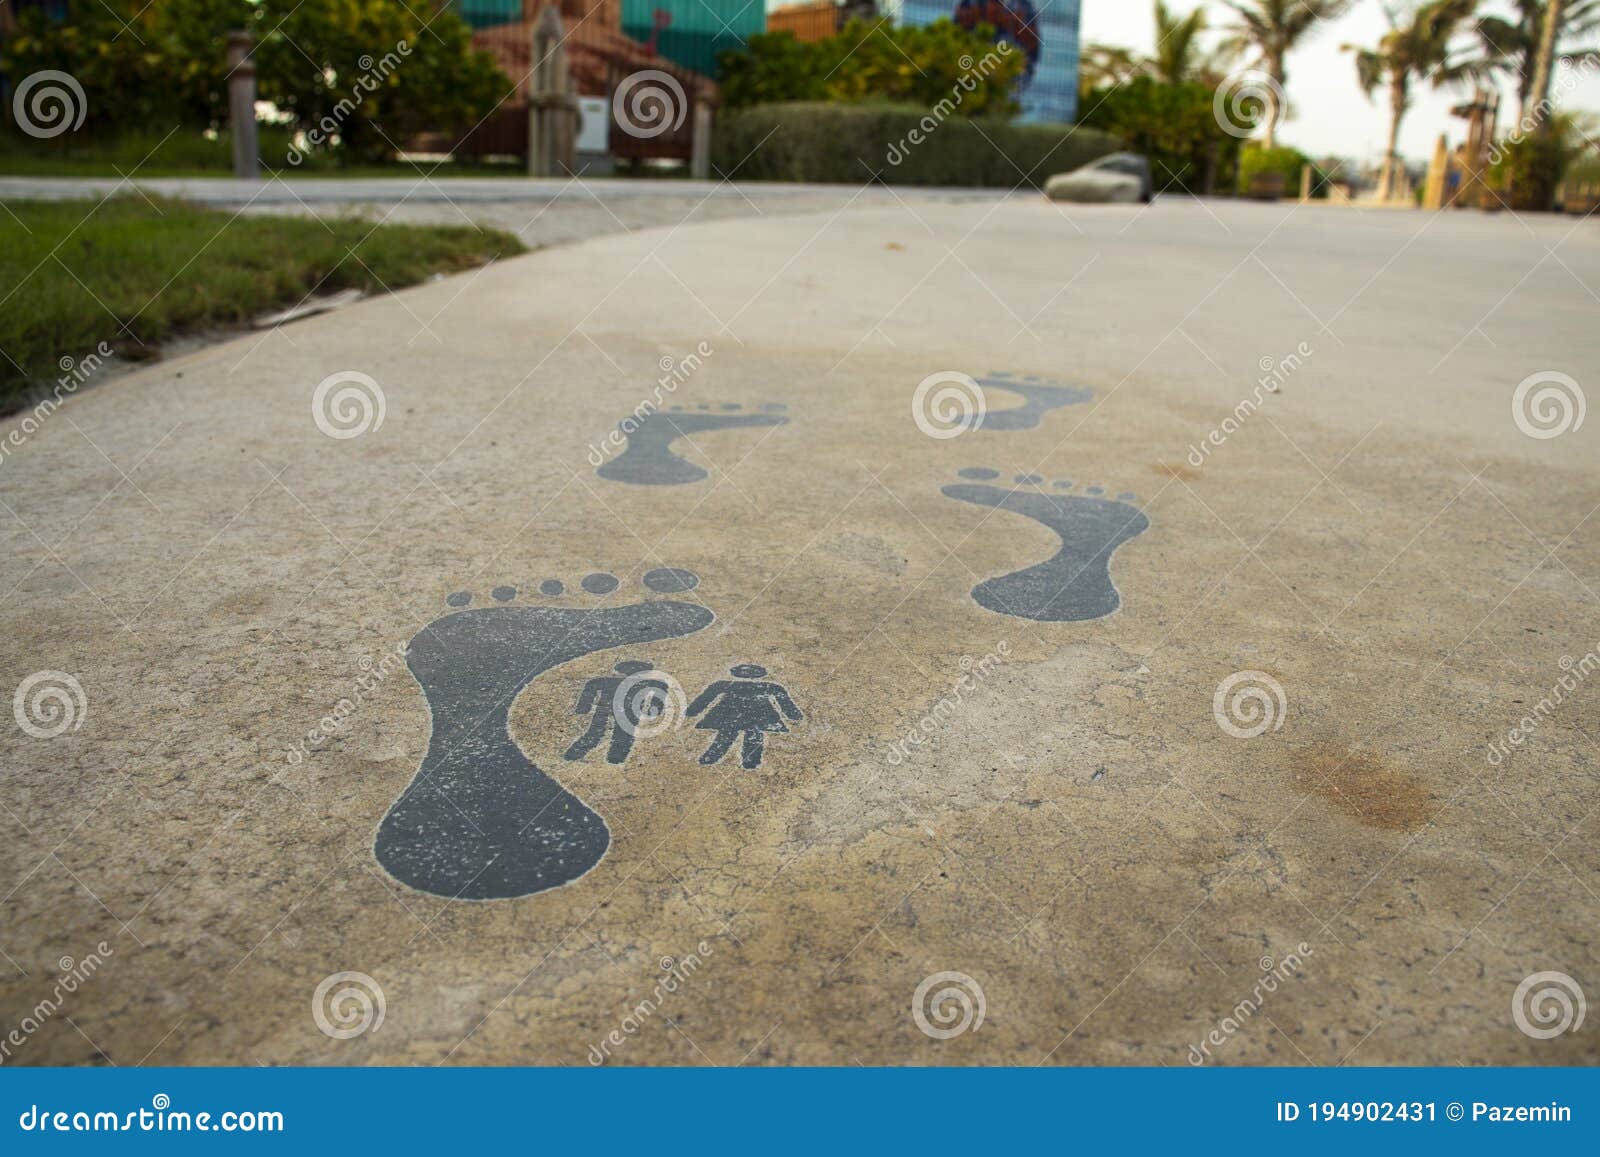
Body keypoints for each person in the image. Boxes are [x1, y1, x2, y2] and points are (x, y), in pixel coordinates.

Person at [686, 664, 803, 770]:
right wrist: (793, 715)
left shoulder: (725, 684)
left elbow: (707, 696)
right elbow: (784, 700)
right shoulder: (769, 686)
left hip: (731, 714)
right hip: (756, 715)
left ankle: (713, 757)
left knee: (728, 734)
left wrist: (693, 711)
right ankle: (750, 761)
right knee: (751, 735)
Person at [564, 660, 666, 765]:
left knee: (604, 733)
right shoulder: (646, 683)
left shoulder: (610, 681)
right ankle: (614, 758)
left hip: (612, 711)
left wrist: (583, 708)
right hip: (616, 711)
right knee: (614, 734)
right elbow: (660, 689)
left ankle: (611, 758)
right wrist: (653, 710)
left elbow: (591, 685)